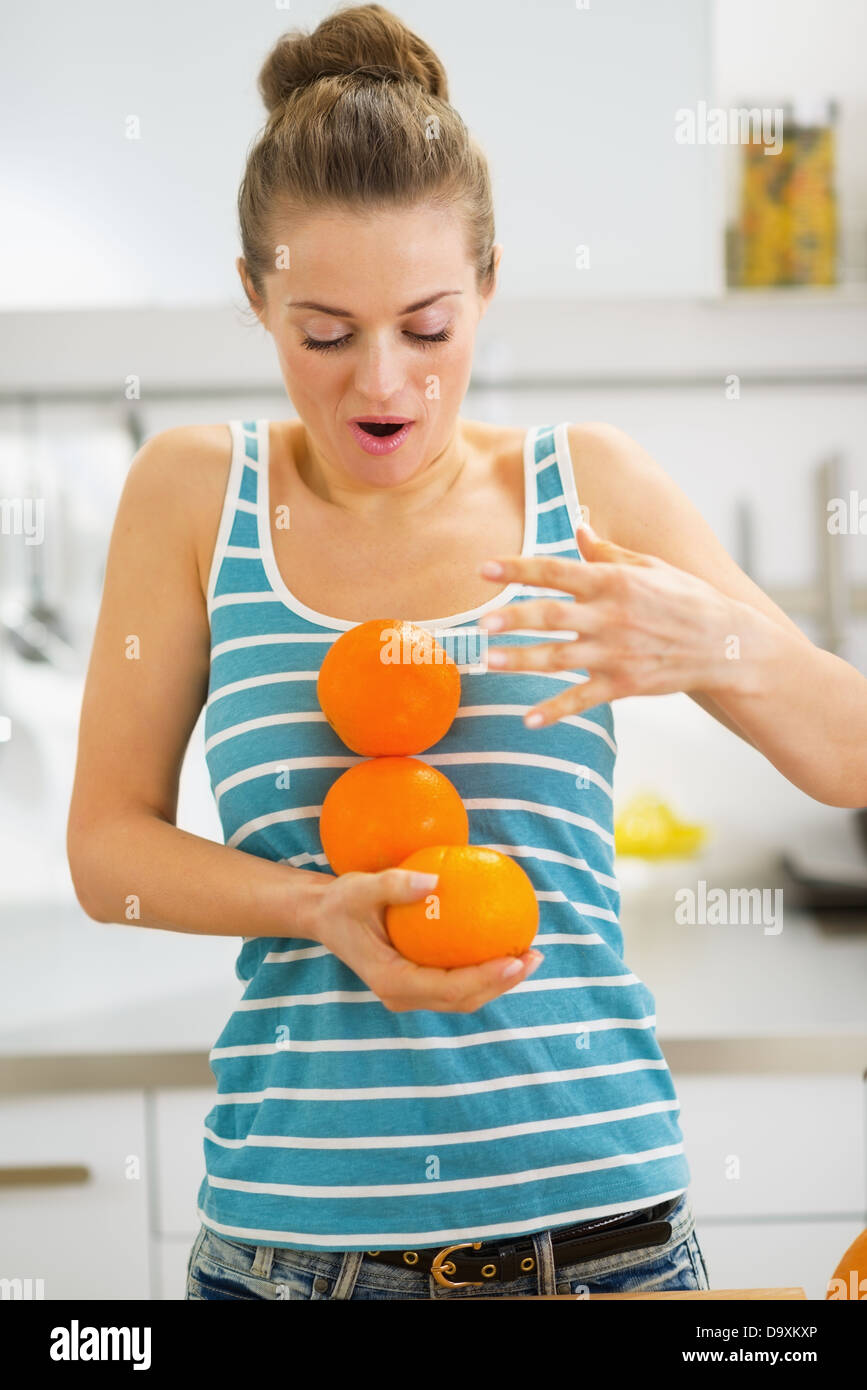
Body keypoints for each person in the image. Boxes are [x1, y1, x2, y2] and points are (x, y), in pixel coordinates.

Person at [67, 3, 867, 1301]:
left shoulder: (587, 482)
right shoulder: (190, 494)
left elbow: (850, 754)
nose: (381, 381)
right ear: (254, 292)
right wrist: (314, 905)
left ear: (488, 284)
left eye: (428, 326)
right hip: (290, 1255)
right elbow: (107, 851)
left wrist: (714, 638)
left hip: (604, 1250)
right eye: (324, 331)